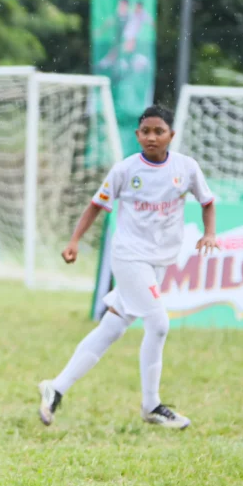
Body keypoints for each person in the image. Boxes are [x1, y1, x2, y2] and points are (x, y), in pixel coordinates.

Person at [38, 105, 217, 429]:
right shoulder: (124, 170)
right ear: (137, 135)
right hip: (129, 256)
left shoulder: (186, 168)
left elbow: (207, 202)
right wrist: (74, 241)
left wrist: (209, 234)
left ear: (171, 136)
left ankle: (56, 387)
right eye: (145, 131)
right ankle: (151, 405)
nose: (151, 137)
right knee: (159, 323)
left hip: (160, 259)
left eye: (158, 131)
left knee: (113, 327)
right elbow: (96, 205)